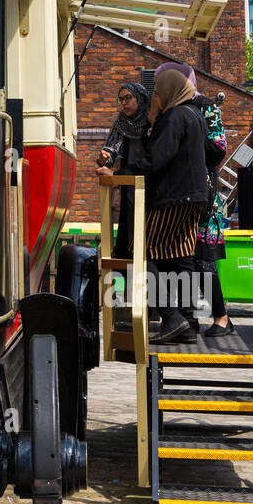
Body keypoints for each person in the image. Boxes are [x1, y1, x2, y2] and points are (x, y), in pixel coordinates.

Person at [128, 69, 209, 343]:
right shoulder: (195, 115)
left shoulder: (174, 117)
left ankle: (172, 318)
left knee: (142, 252)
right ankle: (186, 321)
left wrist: (124, 173)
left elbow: (156, 159)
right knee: (182, 256)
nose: (155, 98)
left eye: (158, 94)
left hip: (172, 198)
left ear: (168, 92)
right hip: (195, 197)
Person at [155, 61, 230, 336]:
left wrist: (189, 138)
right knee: (183, 256)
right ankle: (189, 320)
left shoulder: (205, 106)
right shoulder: (169, 108)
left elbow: (219, 149)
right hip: (178, 193)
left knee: (202, 258)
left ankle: (222, 317)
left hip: (202, 191)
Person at [96, 81, 151, 259]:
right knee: (127, 239)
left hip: (152, 185)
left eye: (128, 98)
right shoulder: (121, 122)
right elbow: (110, 153)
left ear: (140, 99)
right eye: (120, 100)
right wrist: (104, 158)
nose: (124, 103)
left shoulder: (152, 121)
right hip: (129, 186)